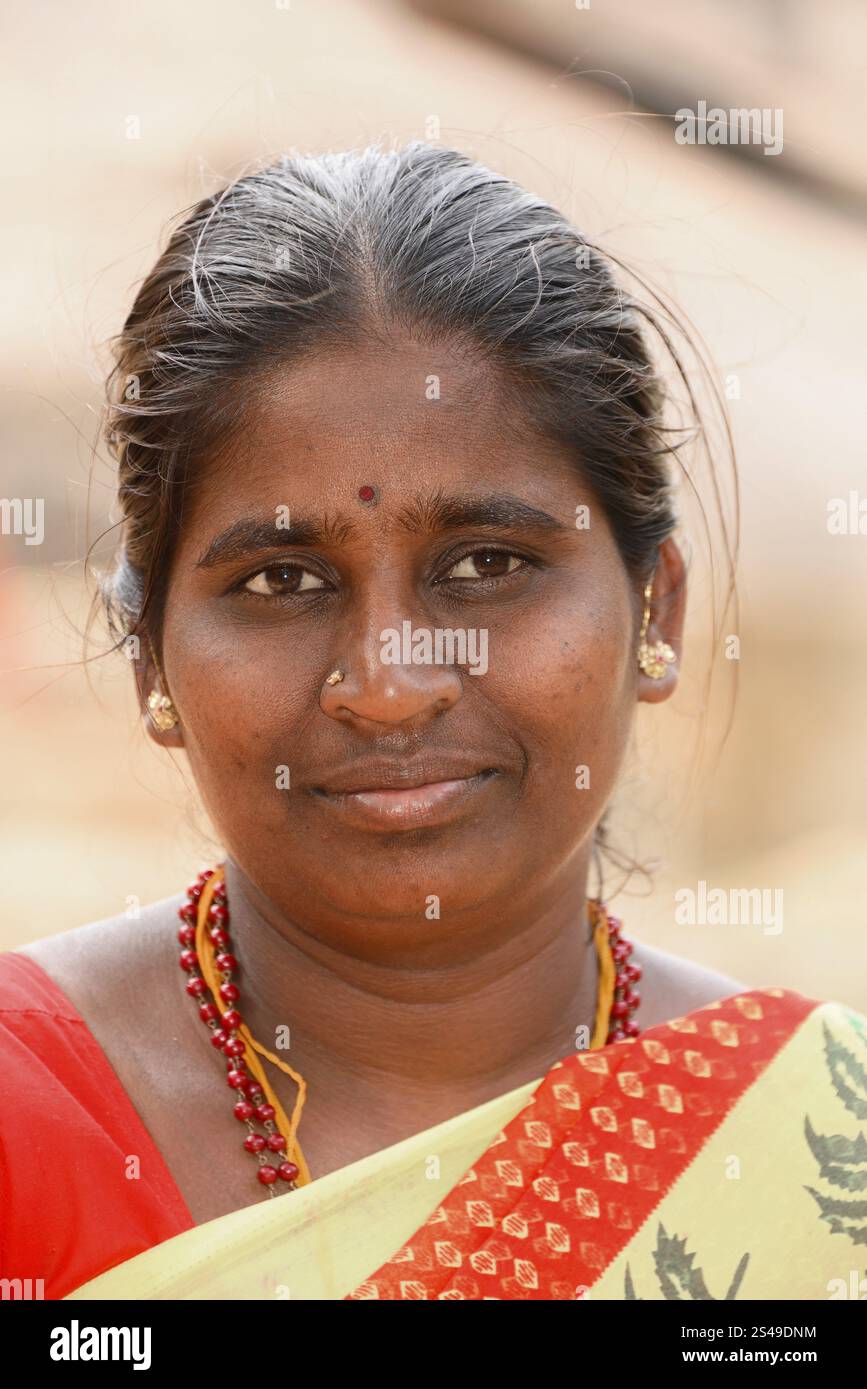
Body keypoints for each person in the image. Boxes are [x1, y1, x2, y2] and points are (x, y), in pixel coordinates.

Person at [1, 143, 863, 1302]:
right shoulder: (26, 1119)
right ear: (153, 651)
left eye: (487, 562)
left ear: (655, 607)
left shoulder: (824, 1145)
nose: (392, 684)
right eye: (282, 580)